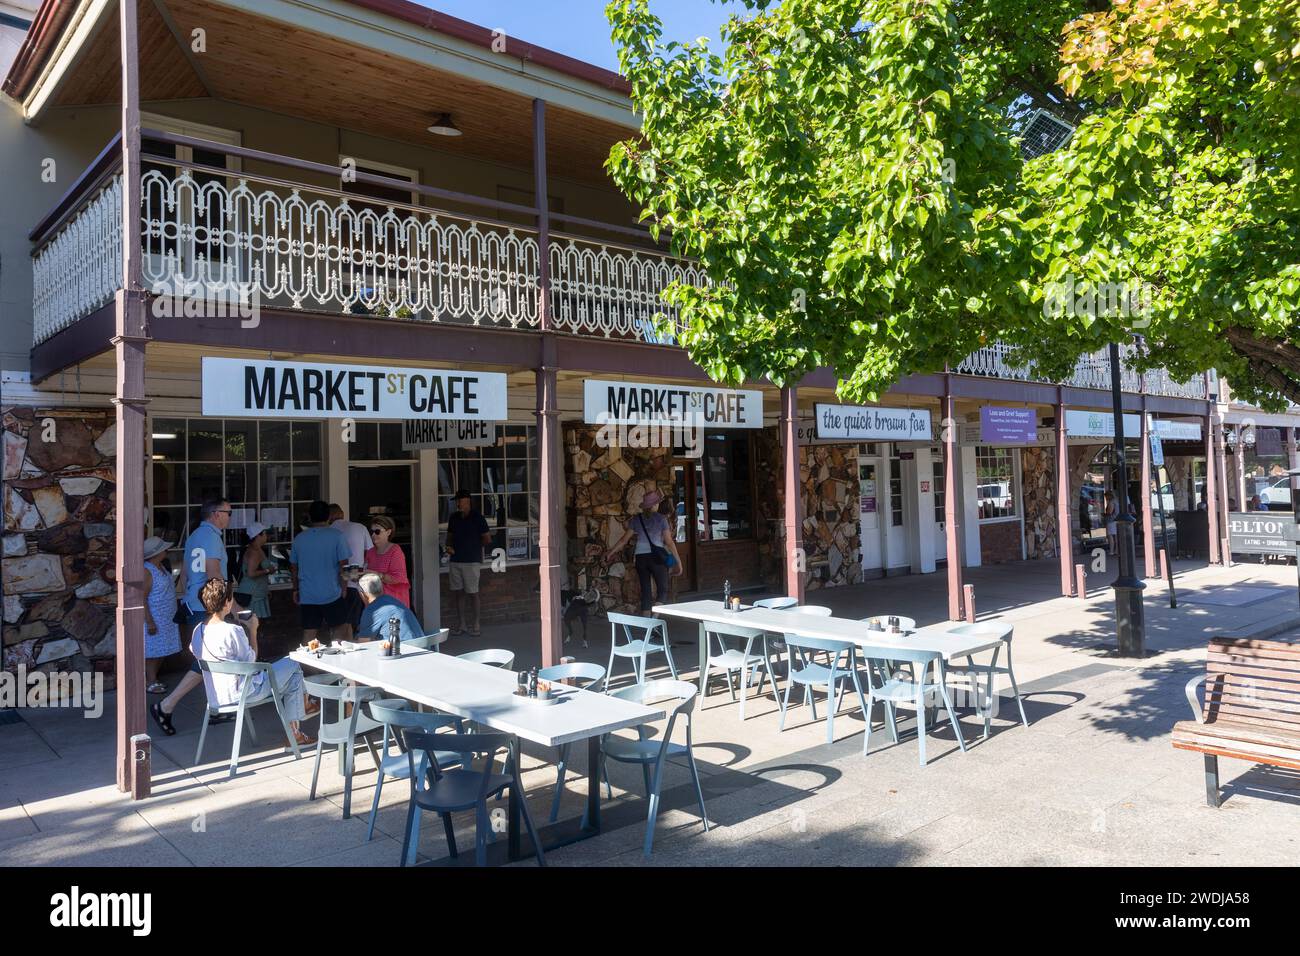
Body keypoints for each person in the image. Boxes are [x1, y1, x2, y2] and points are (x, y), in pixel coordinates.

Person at [152, 498, 256, 735]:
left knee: (210, 659)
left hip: (194, 602)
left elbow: (185, 574)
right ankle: (166, 705)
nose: (230, 517)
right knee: (206, 662)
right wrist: (234, 606)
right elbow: (214, 574)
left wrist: (186, 597)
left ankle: (217, 708)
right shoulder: (211, 537)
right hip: (207, 605)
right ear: (216, 514)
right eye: (228, 512)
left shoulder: (194, 536)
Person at [191, 577, 314, 746]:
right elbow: (251, 661)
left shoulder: (198, 630)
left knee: (293, 681)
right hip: (244, 692)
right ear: (227, 602)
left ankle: (297, 728)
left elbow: (196, 652)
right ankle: (304, 708)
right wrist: (252, 629)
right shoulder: (232, 630)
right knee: (293, 663)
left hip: (216, 696)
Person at [605, 487, 683, 612]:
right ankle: (654, 618)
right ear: (655, 505)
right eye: (657, 503)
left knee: (646, 592)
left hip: (640, 558)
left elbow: (624, 540)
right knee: (662, 590)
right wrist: (678, 562)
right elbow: (669, 542)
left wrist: (611, 552)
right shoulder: (661, 519)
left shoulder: (637, 519)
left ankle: (647, 621)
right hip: (656, 558)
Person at [290, 500, 353, 645]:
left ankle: (307, 660)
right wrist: (344, 588)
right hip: (332, 592)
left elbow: (294, 568)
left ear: (310, 516)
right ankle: (336, 656)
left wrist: (295, 589)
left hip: (307, 593)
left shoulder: (299, 539)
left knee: (309, 632)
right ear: (329, 516)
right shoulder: (337, 536)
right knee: (339, 629)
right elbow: (344, 566)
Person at [445, 490, 491, 636]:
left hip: (471, 561)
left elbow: (487, 539)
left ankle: (476, 624)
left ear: (468, 501)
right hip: (455, 560)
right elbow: (449, 536)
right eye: (457, 501)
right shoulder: (454, 518)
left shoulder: (478, 518)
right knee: (458, 593)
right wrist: (448, 546)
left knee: (473, 593)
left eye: (460, 501)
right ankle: (462, 625)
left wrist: (474, 547)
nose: (458, 504)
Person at [142, 535, 180, 695]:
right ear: (156, 552)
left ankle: (153, 678)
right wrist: (149, 621)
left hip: (166, 617)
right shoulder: (147, 571)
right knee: (153, 651)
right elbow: (142, 598)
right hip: (155, 617)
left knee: (163, 649)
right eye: (164, 549)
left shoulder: (161, 566)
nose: (167, 550)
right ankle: (149, 681)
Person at [329, 503, 371, 630]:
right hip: (355, 581)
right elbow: (370, 553)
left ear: (329, 516)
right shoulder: (360, 527)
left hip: (332, 583)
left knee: (337, 625)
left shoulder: (328, 531)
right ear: (342, 514)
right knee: (352, 623)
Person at [356, 572, 424, 641]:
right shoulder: (391, 600)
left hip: (402, 646)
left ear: (362, 593)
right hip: (421, 644)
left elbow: (363, 641)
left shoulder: (372, 610)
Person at [233, 522, 276, 626]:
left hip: (254, 593)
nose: (266, 536)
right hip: (252, 596)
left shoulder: (256, 549)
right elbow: (251, 573)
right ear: (258, 536)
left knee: (252, 626)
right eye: (264, 533)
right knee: (251, 627)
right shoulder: (254, 552)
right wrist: (268, 570)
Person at [364, 514, 410, 607]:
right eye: (371, 531)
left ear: (388, 532)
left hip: (394, 604)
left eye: (377, 531)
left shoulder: (395, 551)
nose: (373, 535)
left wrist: (377, 575)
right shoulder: (370, 552)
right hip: (375, 602)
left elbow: (398, 578)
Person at [1103, 491, 1118, 555]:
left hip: (1111, 520)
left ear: (1109, 496)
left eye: (1106, 496)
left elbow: (1110, 512)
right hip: (1116, 520)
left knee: (1110, 536)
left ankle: (1111, 551)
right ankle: (1116, 550)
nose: (1105, 498)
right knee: (1115, 536)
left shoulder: (1111, 502)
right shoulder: (1116, 501)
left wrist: (1104, 514)